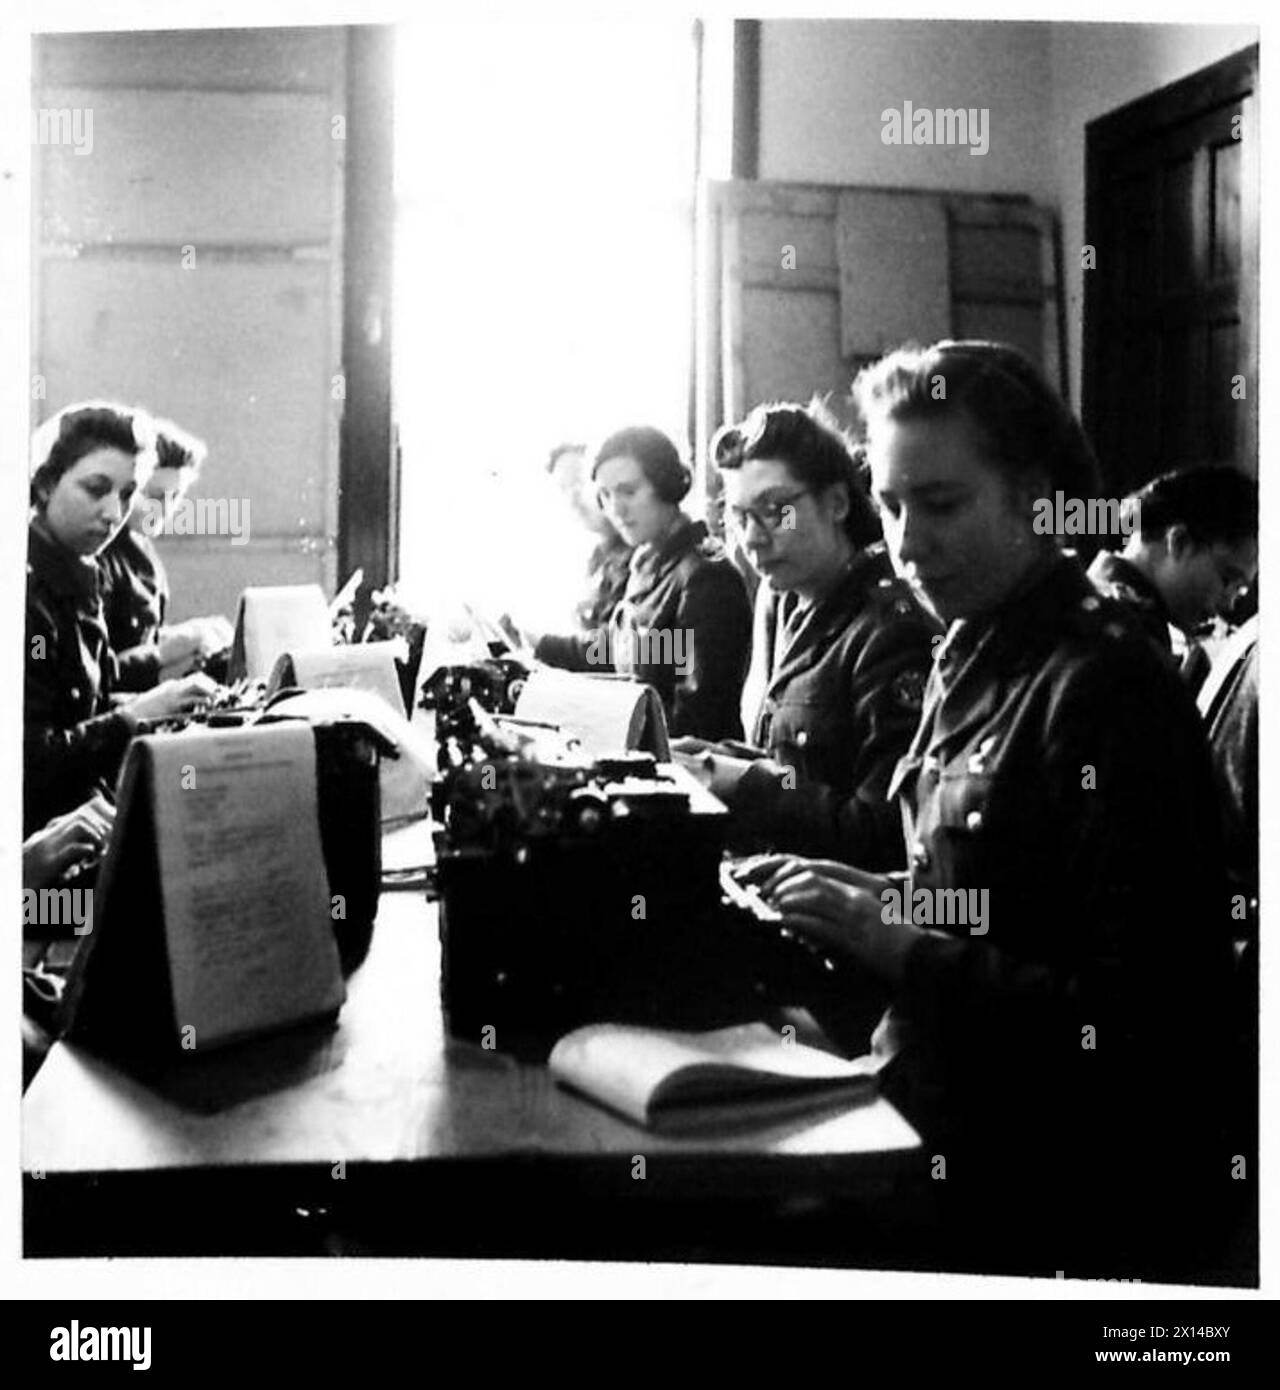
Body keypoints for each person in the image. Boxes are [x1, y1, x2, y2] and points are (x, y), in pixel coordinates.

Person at [740, 341, 1238, 1279]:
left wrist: (901, 944)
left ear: (1037, 500)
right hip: (928, 1119)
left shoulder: (1104, 685)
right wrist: (884, 896)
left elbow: (1144, 1024)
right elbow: (1003, 897)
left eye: (941, 504)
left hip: (1037, 1198)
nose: (907, 543)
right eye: (889, 506)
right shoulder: (971, 643)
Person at [673, 402, 939, 868]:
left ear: (837, 502)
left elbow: (886, 832)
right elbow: (802, 768)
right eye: (739, 517)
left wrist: (744, 782)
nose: (753, 538)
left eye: (775, 511)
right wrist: (717, 758)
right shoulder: (787, 603)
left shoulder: (890, 629)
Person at [26, 402, 216, 836]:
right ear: (44, 485)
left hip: (85, 817)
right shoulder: (25, 597)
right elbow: (33, 765)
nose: (115, 512)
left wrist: (166, 701)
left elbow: (88, 698)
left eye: (128, 493)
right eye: (96, 489)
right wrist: (138, 713)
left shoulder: (78, 572)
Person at [530, 425, 752, 740]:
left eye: (628, 491)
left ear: (666, 485)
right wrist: (538, 645)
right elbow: (616, 650)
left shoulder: (705, 579)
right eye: (605, 495)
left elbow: (697, 720)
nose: (616, 509)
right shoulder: (647, 561)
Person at [98, 418, 233, 691]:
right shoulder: (98, 555)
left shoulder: (142, 549)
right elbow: (93, 671)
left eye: (176, 497)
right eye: (155, 495)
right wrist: (172, 647)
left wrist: (188, 636)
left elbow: (140, 639)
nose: (166, 510)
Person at [1087, 465, 1257, 669]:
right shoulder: (1126, 636)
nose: (1228, 605)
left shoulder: (1105, 607)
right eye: (1227, 580)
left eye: (1239, 590)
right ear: (1179, 542)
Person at [544, 441, 633, 631]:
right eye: (564, 489)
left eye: (579, 483)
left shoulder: (641, 555)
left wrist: (545, 645)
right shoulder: (598, 556)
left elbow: (622, 651)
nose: (573, 499)